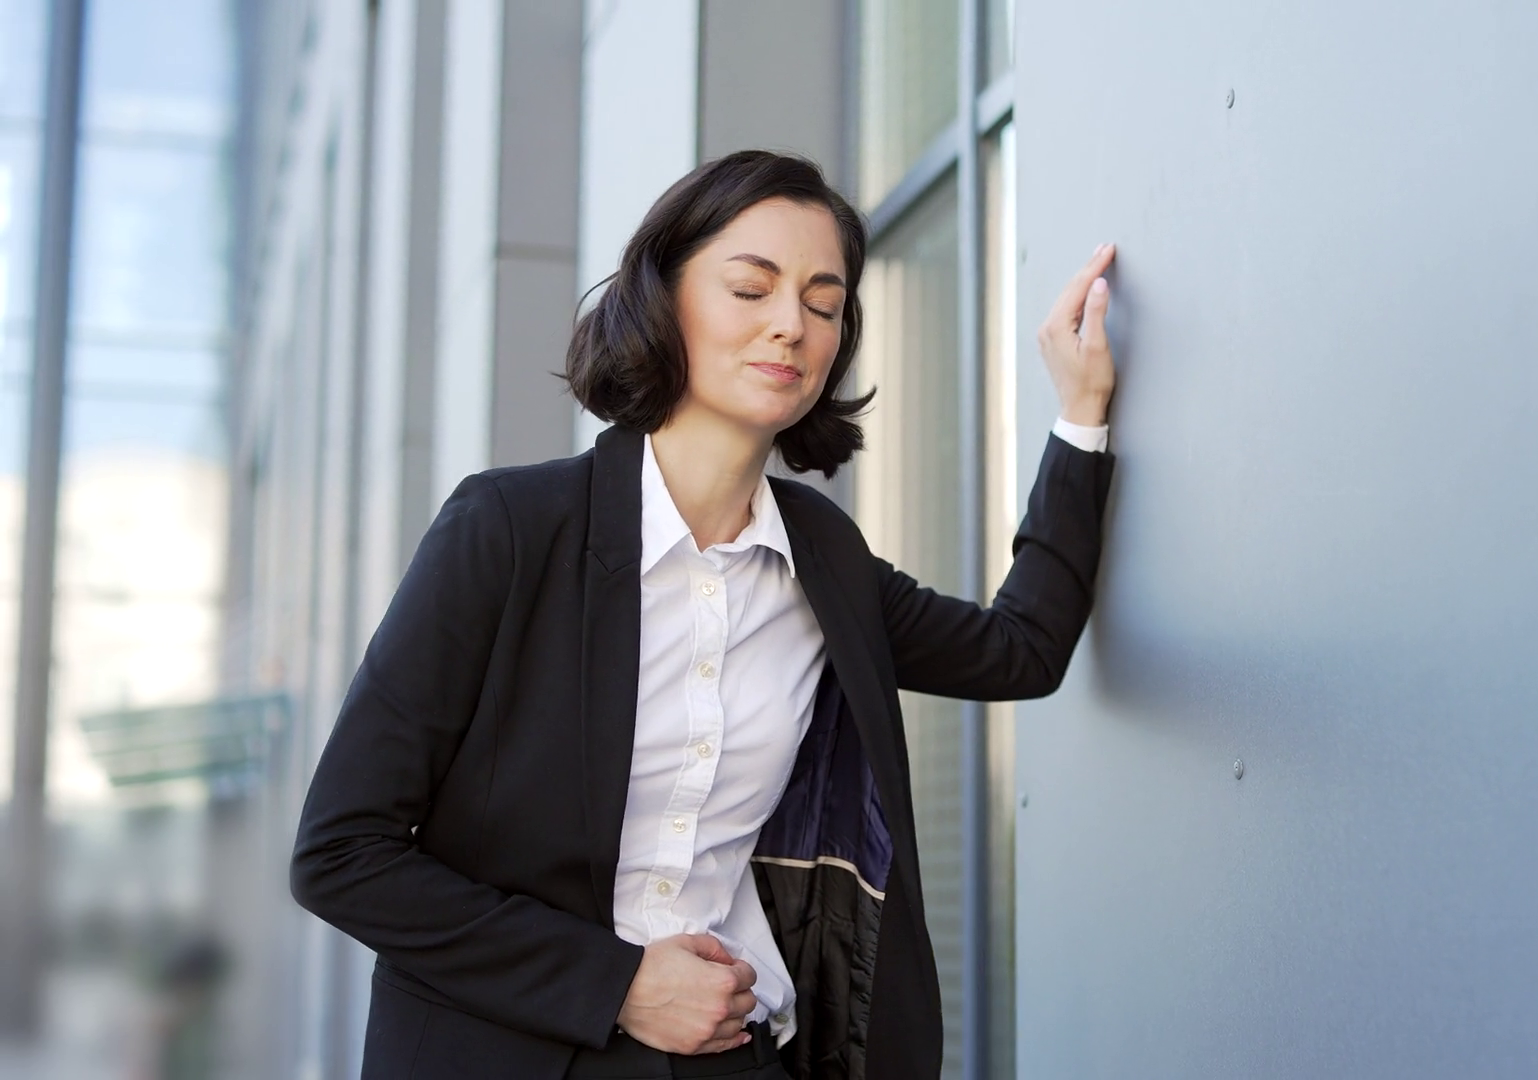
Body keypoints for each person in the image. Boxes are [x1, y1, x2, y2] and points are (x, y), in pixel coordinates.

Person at [290, 149, 1116, 1080]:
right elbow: (341, 854)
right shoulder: (509, 532)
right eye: (750, 288)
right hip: (496, 1052)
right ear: (664, 298)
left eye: (823, 301)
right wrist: (620, 983)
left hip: (728, 1057)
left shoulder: (822, 563)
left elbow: (1020, 652)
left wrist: (1081, 417)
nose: (790, 327)